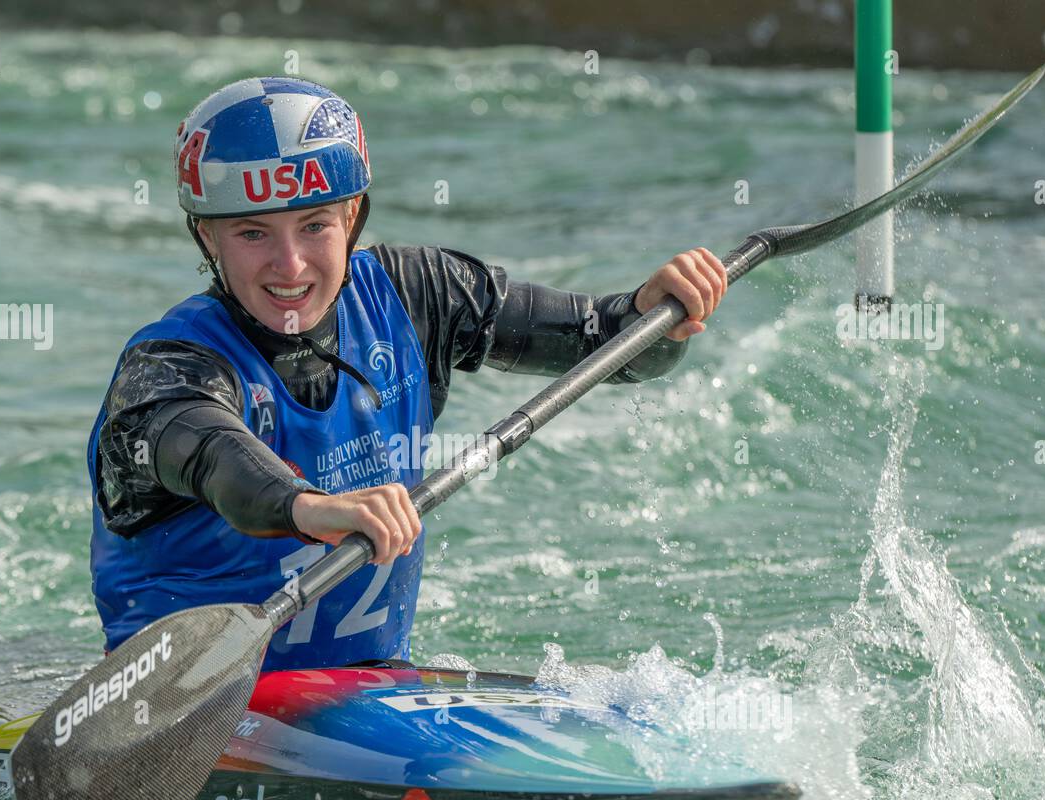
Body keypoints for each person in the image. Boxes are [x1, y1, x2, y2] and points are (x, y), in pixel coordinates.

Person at [88, 77, 726, 669]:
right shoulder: (166, 368)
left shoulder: (417, 294)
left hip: (367, 689)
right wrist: (305, 506)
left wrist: (659, 314)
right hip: (186, 711)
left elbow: (617, 347)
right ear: (207, 239)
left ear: (353, 217)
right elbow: (210, 454)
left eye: (315, 226)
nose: (290, 266)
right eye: (253, 233)